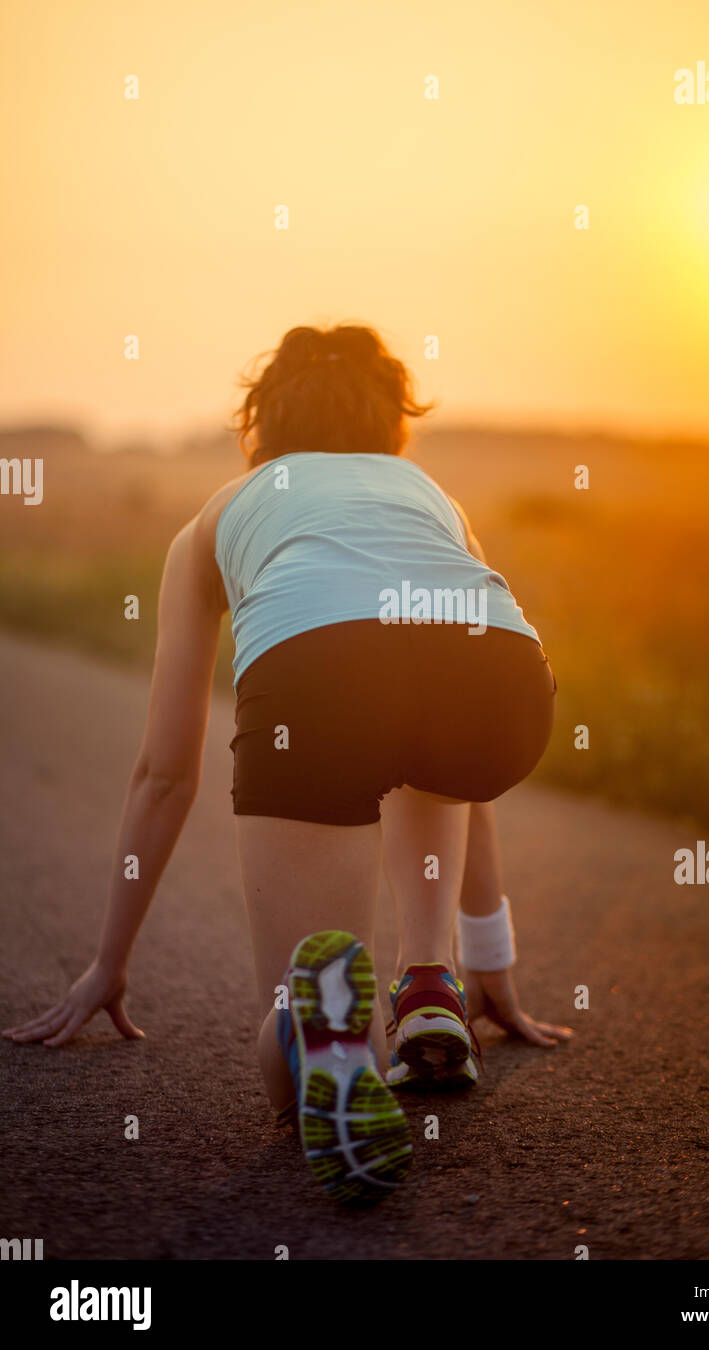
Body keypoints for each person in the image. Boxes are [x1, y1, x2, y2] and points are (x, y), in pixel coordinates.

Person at [3, 323, 572, 1205]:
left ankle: (328, 1034)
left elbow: (165, 771)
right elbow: (472, 777)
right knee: (438, 736)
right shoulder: (431, 496)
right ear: (393, 425)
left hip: (319, 679)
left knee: (296, 1033)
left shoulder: (218, 517)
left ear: (261, 423)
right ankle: (434, 978)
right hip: (502, 683)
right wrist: (493, 958)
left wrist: (108, 960)